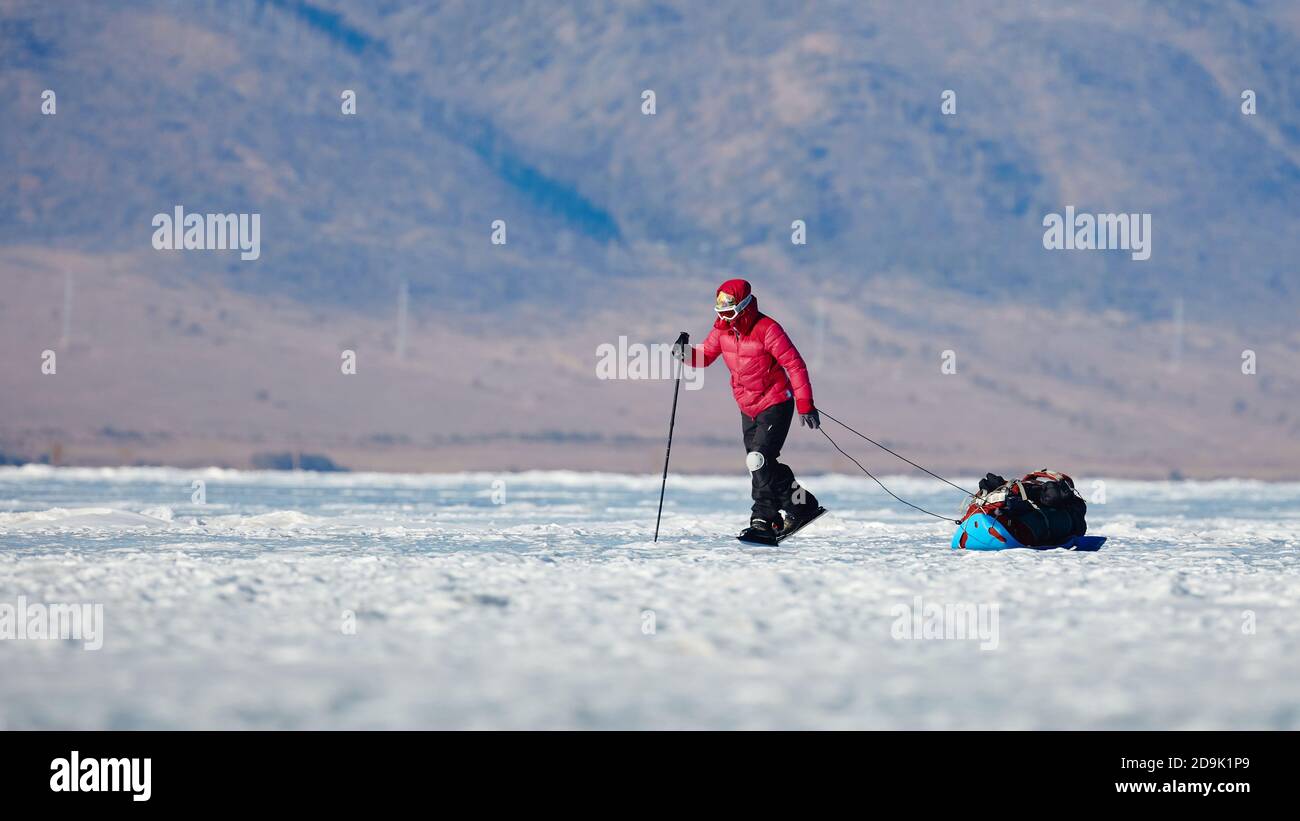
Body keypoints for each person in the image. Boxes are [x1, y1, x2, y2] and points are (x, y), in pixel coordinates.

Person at [676, 278, 821, 538]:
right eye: (720, 308)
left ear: (744, 306)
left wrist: (805, 404)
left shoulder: (768, 329)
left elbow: (795, 365)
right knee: (758, 464)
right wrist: (684, 354)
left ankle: (765, 517)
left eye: (729, 309)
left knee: (759, 459)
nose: (724, 314)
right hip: (747, 405)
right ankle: (788, 511)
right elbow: (705, 356)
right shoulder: (722, 330)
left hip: (776, 401)